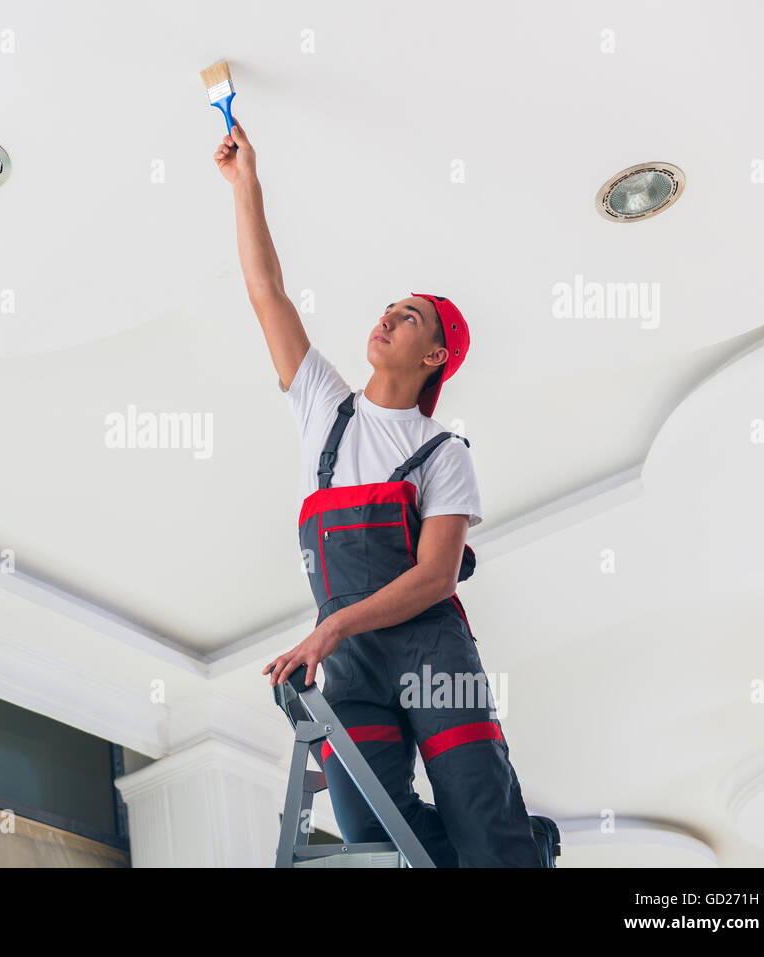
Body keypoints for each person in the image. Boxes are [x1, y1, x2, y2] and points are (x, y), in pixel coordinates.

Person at [215, 121, 549, 867]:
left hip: (433, 654)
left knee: (481, 818)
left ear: (434, 356)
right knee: (374, 838)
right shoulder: (322, 408)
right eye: (389, 308)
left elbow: (433, 577)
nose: (387, 317)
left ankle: (528, 851)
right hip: (353, 665)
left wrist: (329, 629)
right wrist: (247, 187)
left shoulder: (442, 454)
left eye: (409, 317)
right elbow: (265, 292)